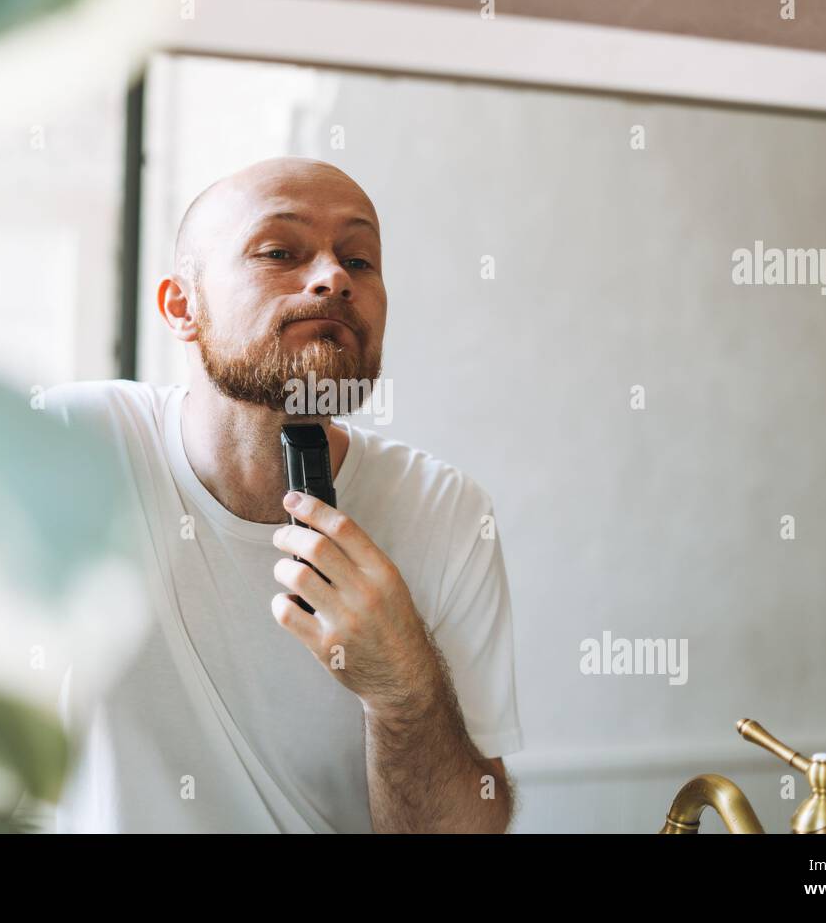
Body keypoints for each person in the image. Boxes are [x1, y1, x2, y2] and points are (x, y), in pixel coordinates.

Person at [45, 156, 523, 832]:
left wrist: (402, 688)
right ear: (183, 306)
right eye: (279, 251)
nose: (333, 277)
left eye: (359, 260)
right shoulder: (76, 444)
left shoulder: (446, 512)